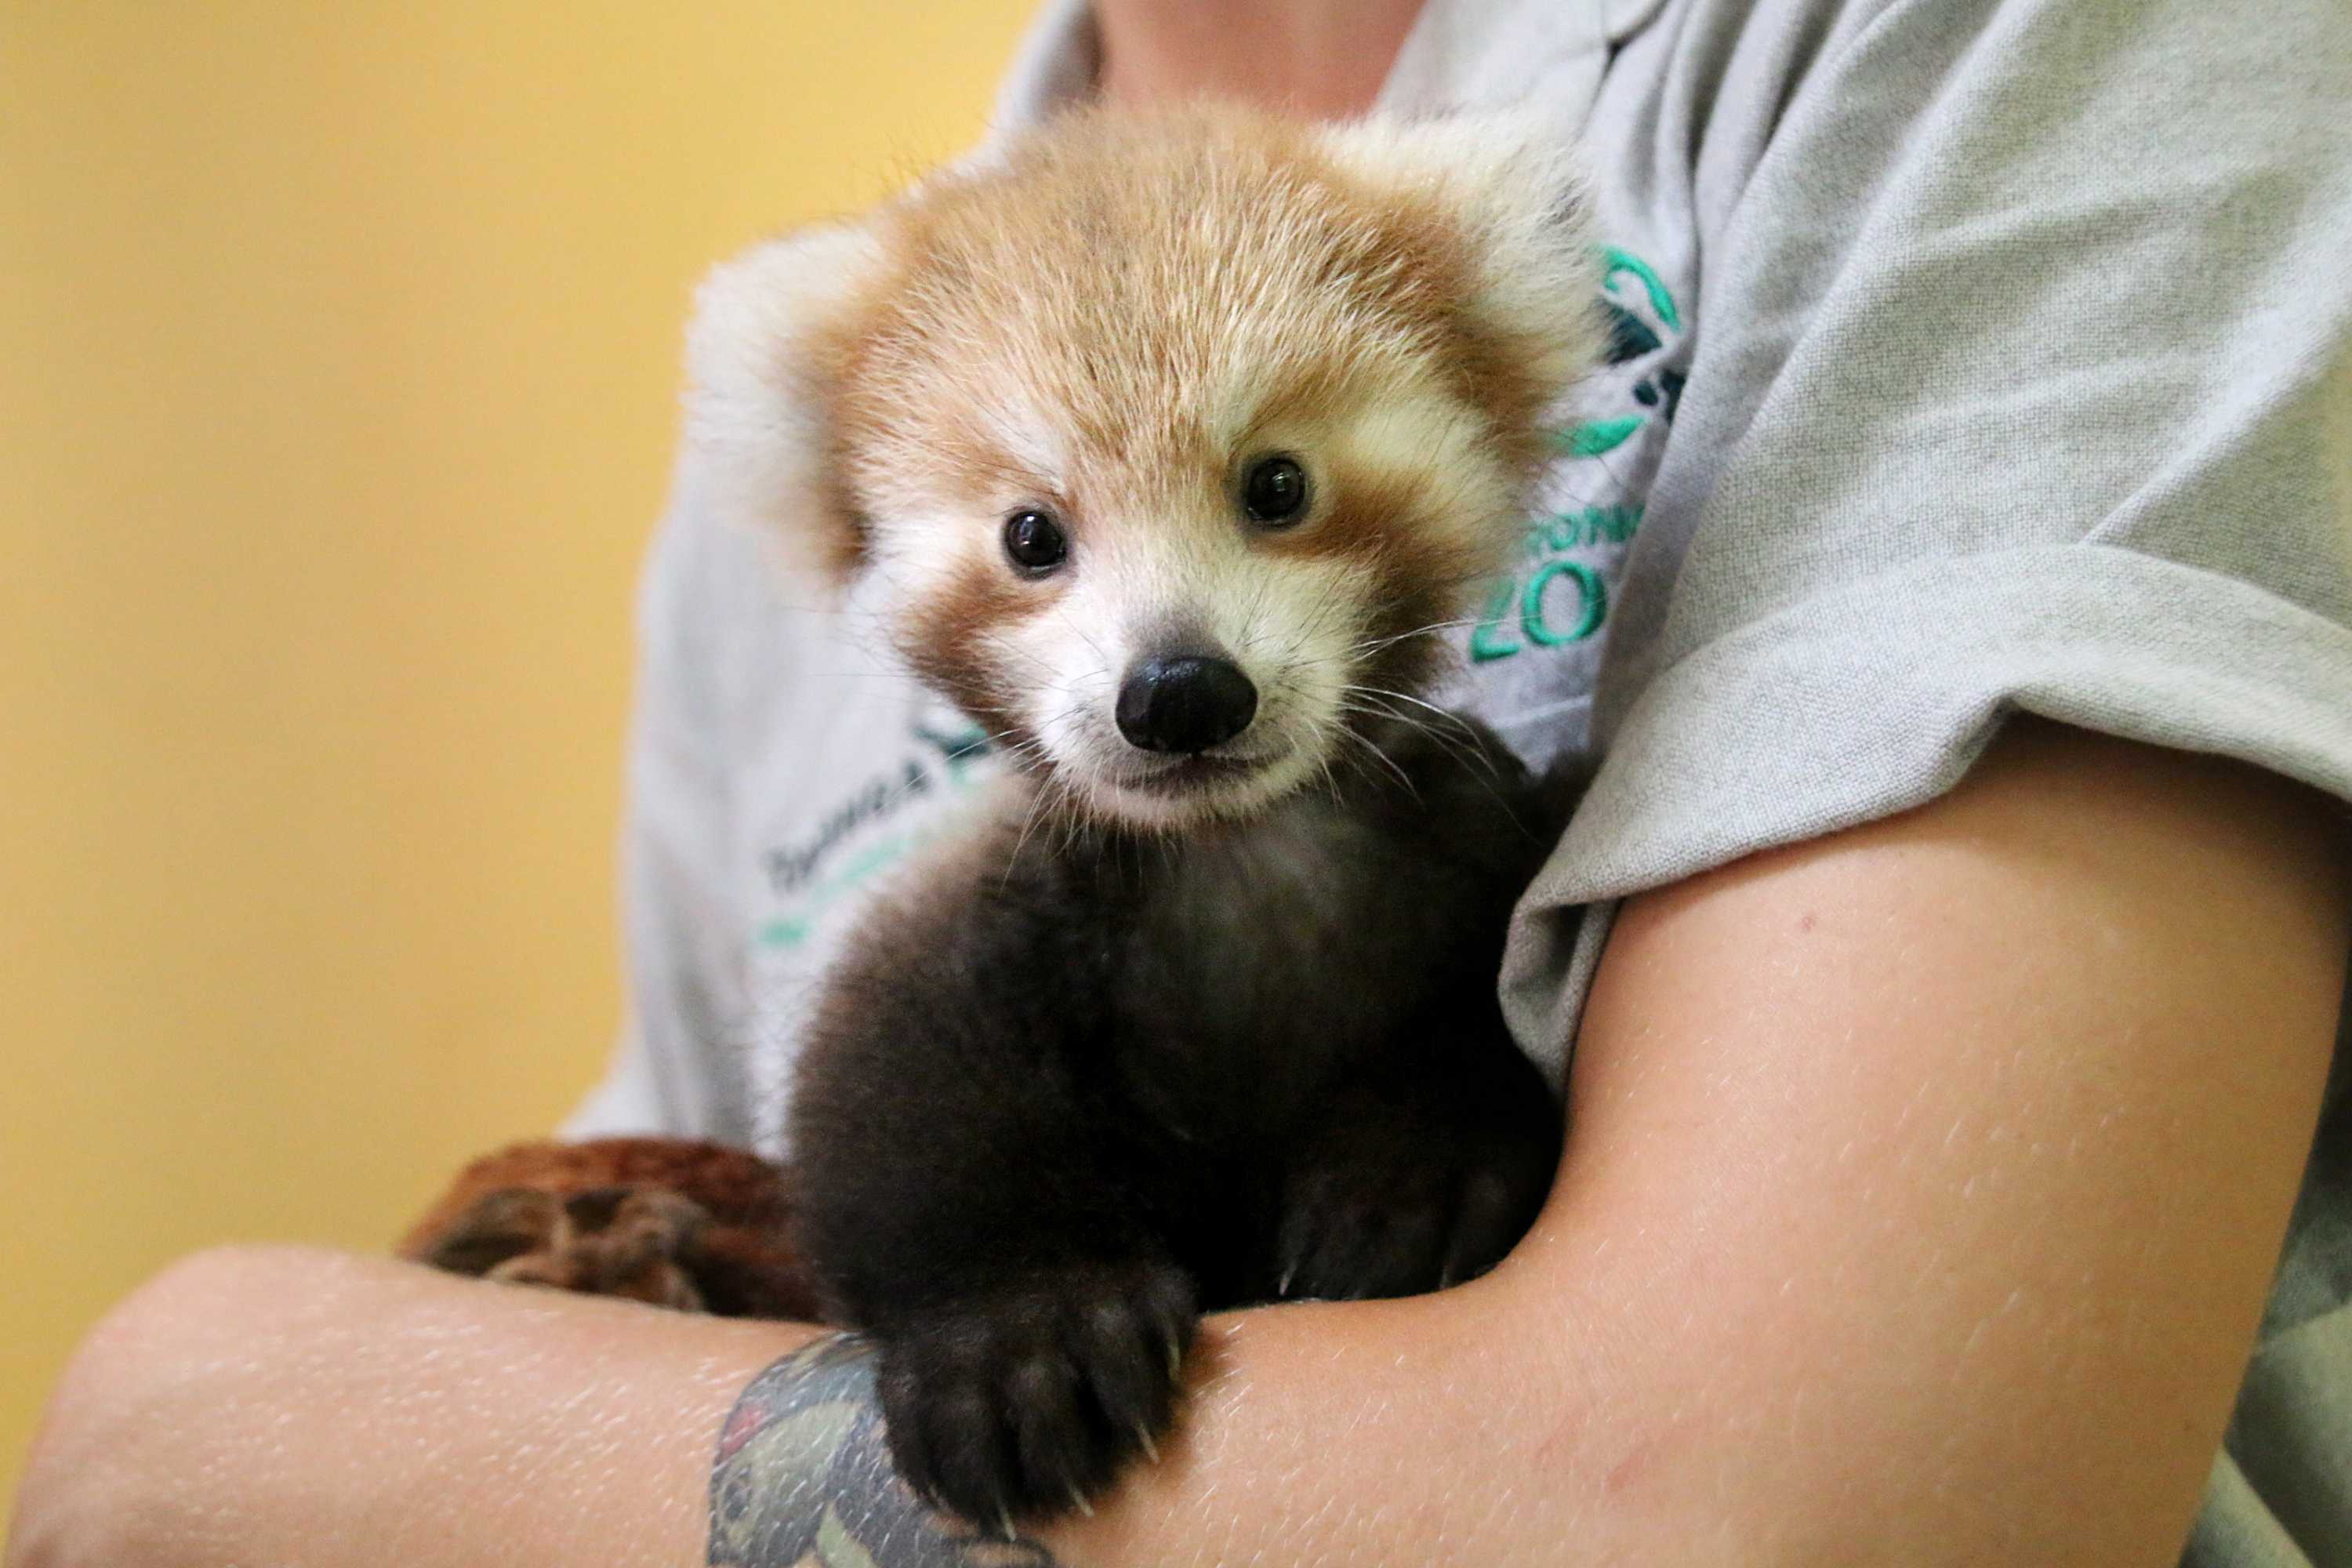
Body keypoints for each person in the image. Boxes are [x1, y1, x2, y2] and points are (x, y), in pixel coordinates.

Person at [13, 0, 2351, 1563]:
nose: (1165, 660)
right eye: (1038, 547)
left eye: (1273, 496)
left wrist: (273, 1430)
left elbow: (1786, 1514)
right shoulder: (841, 411)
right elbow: (763, 1202)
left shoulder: (1989, 58)